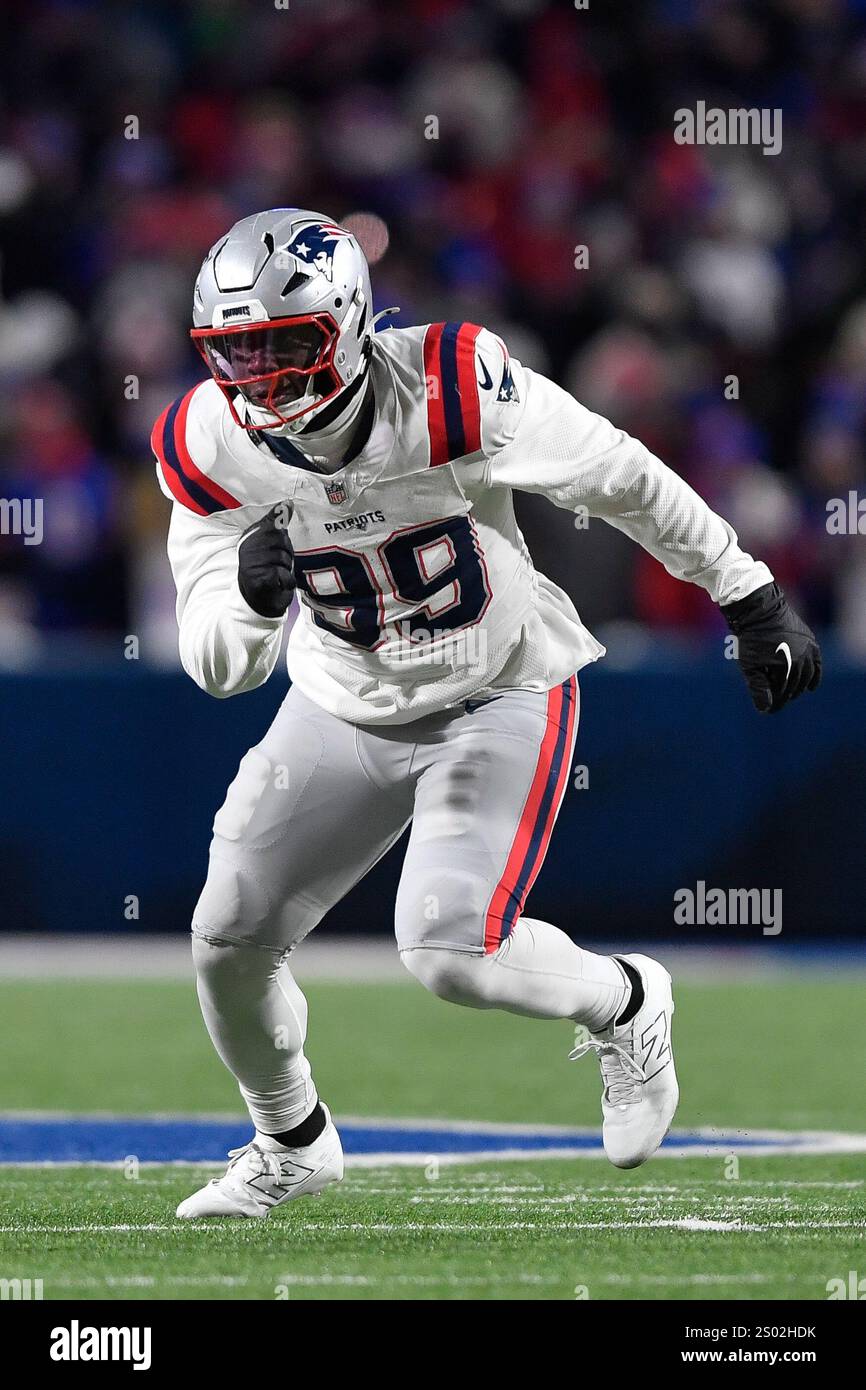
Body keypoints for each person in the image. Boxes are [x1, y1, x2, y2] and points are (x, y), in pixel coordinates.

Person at [152, 209, 821, 1218]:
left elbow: (616, 472)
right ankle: (291, 1140)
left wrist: (746, 591)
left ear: (343, 326)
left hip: (494, 682)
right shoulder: (207, 442)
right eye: (233, 355)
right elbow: (219, 669)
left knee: (447, 947)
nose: (259, 381)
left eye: (283, 348)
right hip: (340, 702)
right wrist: (246, 602)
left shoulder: (450, 388)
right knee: (226, 939)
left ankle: (624, 1002)